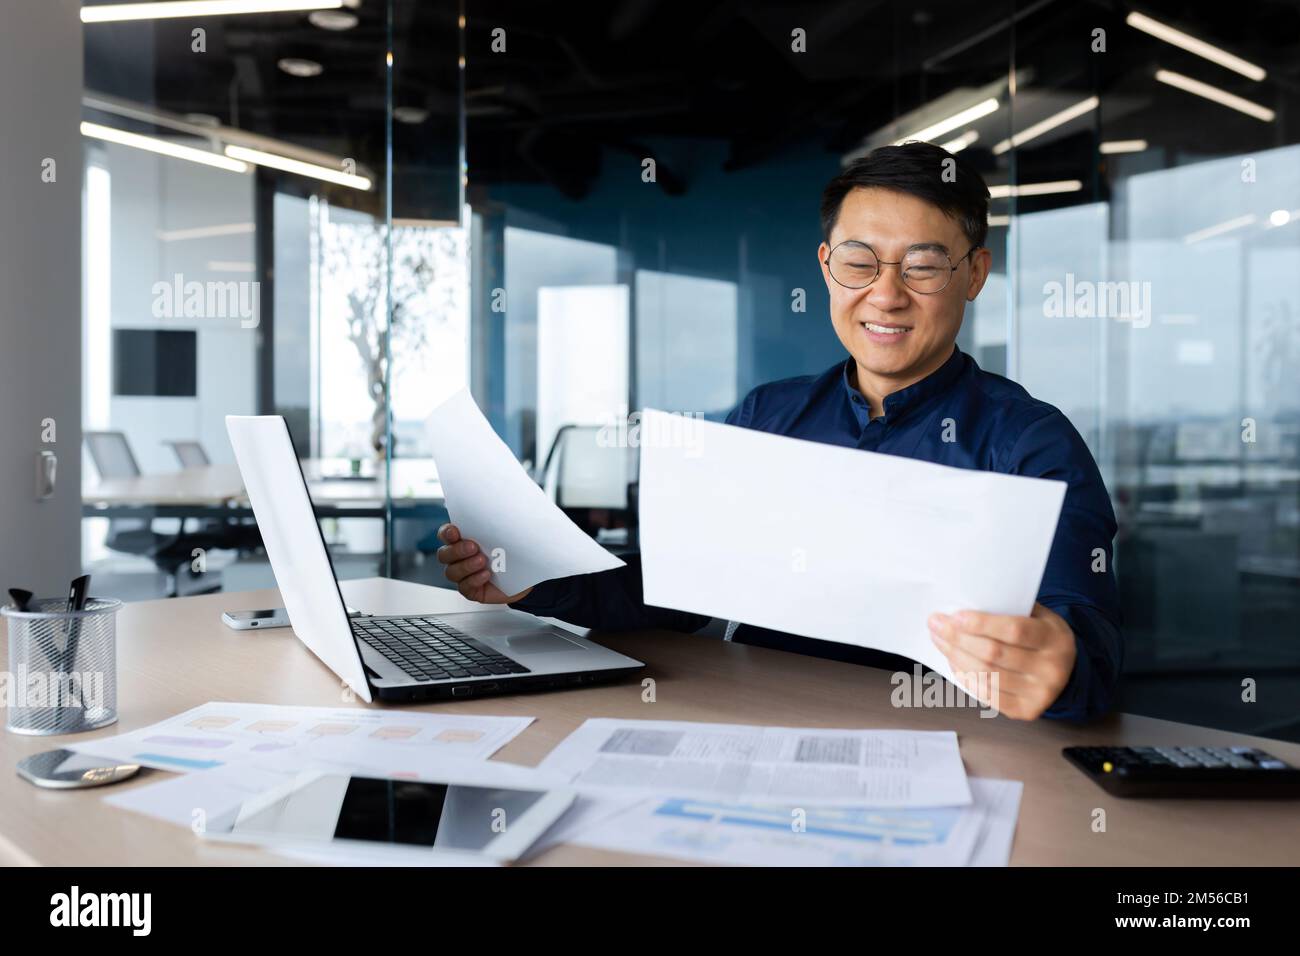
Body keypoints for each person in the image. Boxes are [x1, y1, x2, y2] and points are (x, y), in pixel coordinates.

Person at [436, 140, 1122, 721]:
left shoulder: (1033, 444)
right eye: (860, 263)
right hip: (750, 731)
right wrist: (528, 582)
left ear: (974, 273)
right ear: (826, 268)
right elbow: (670, 590)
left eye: (922, 266)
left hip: (950, 754)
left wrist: (1057, 666)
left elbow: (1087, 654)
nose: (886, 295)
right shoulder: (769, 416)